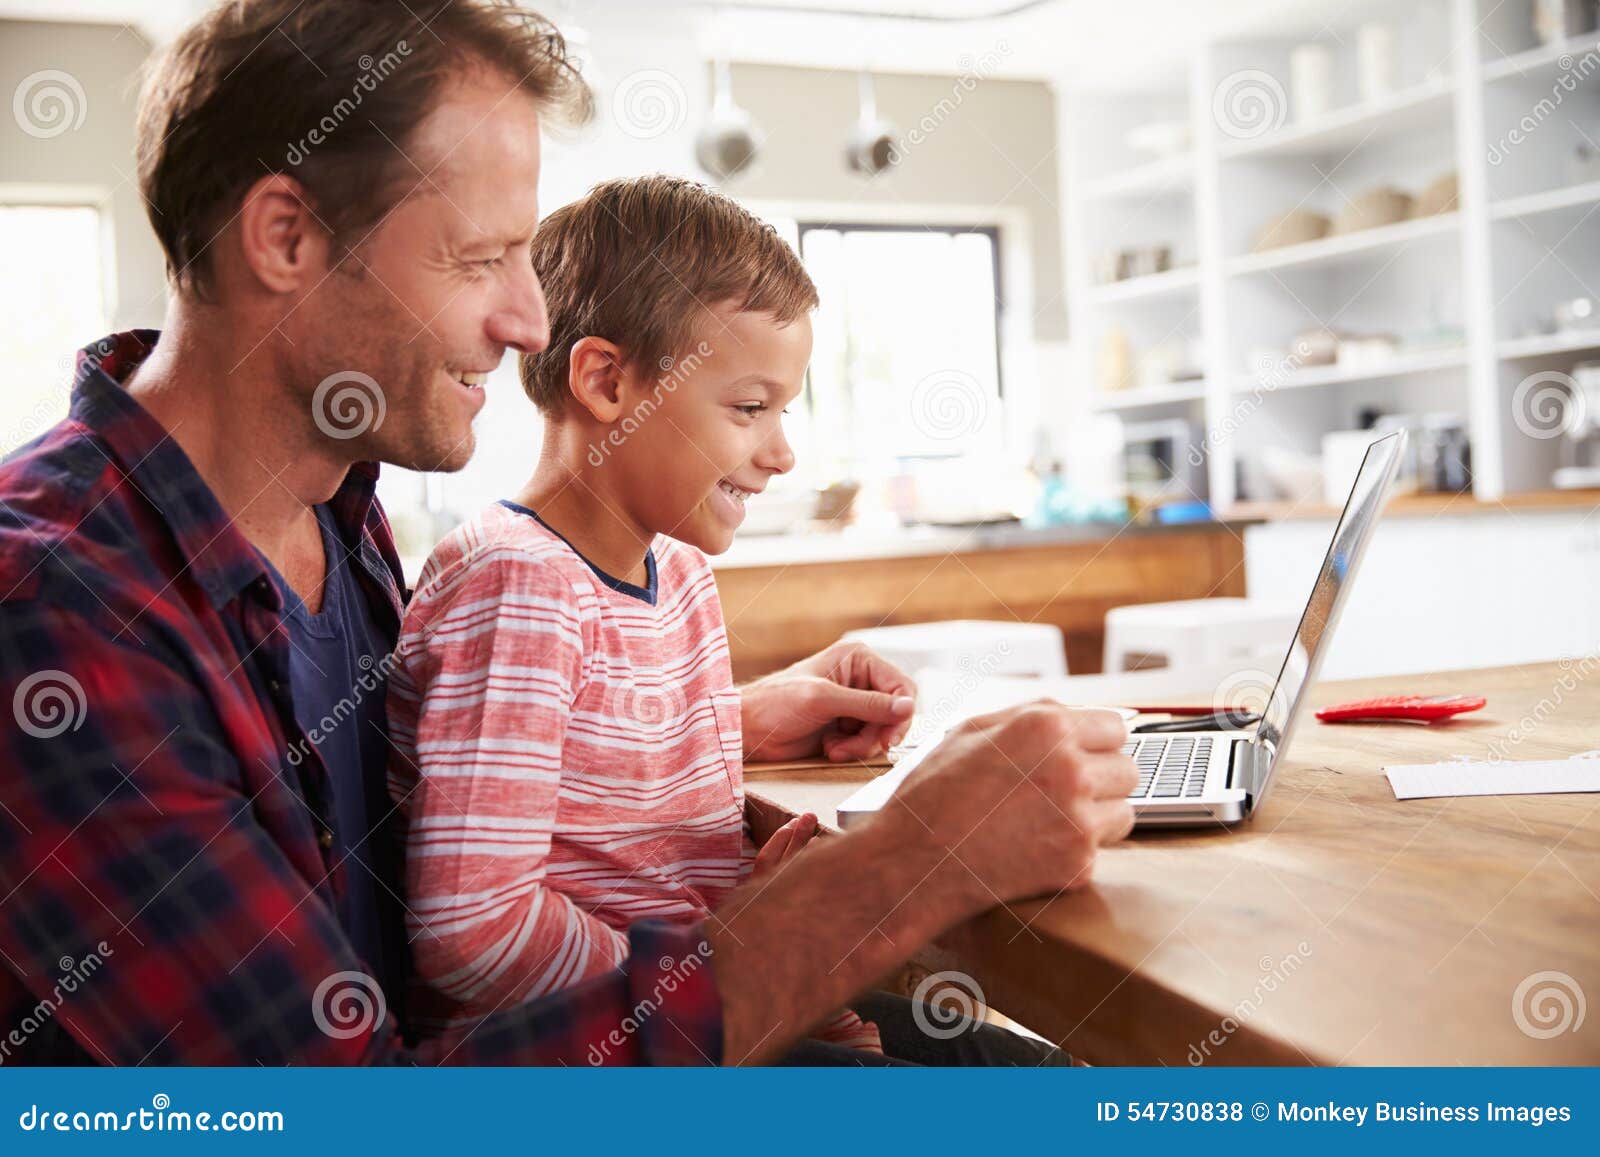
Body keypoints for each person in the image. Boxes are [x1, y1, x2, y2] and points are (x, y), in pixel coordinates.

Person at [0, 0, 1136, 1066]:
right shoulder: (53, 606)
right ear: (286, 238)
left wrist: (726, 716)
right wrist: (891, 872)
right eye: (480, 256)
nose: (528, 318)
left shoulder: (335, 521)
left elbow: (440, 780)